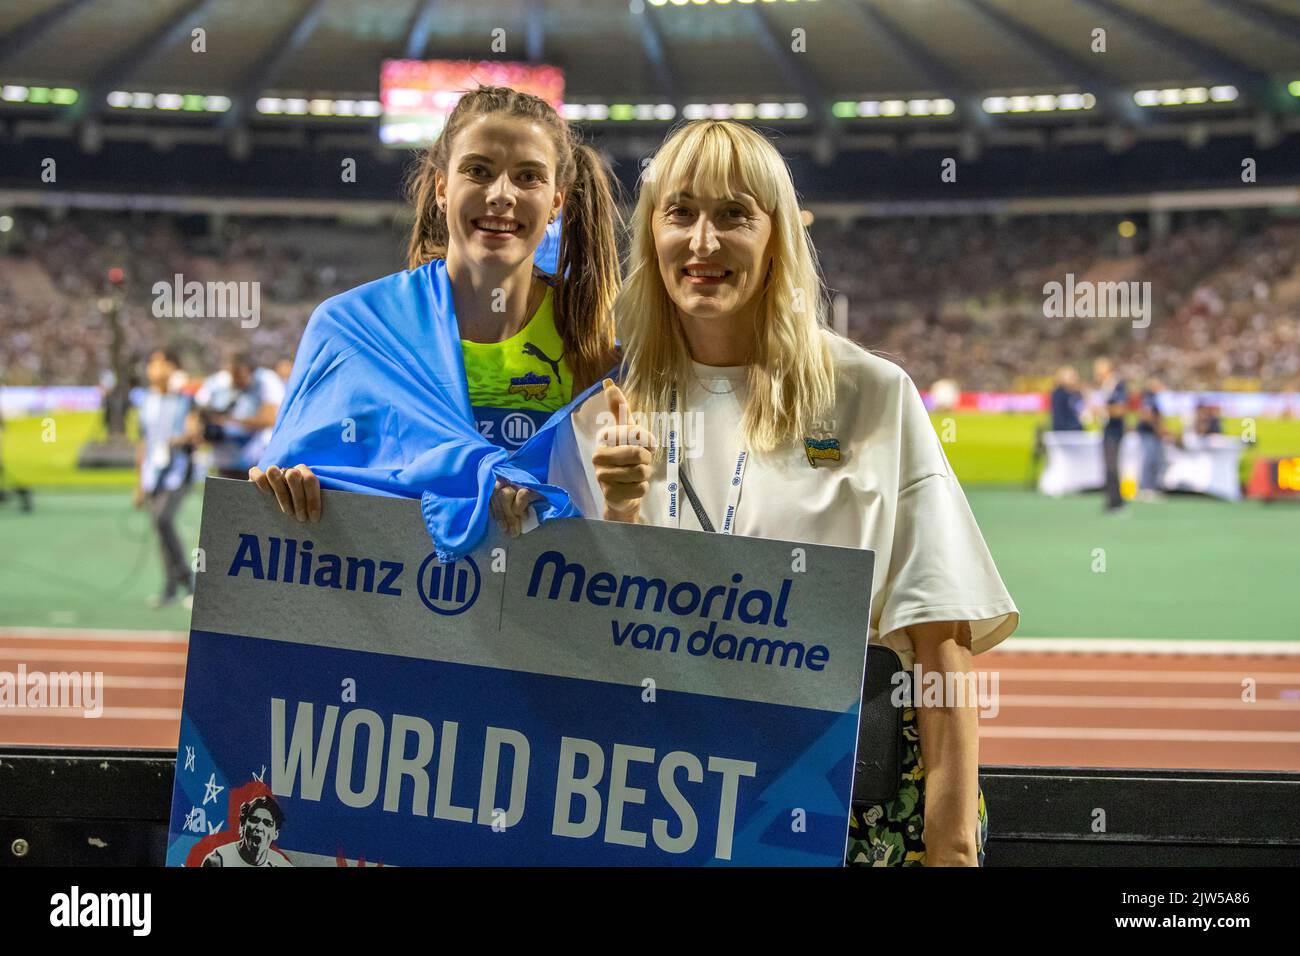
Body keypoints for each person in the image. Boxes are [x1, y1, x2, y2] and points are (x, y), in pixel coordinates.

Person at [556, 120, 1019, 866]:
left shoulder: (870, 394)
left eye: (735, 214)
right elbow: (588, 652)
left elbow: (941, 644)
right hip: (664, 813)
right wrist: (620, 513)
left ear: (777, 237)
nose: (703, 242)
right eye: (680, 213)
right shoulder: (602, 416)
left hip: (852, 818)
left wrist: (953, 844)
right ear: (650, 236)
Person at [250, 86, 621, 555]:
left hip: (544, 611)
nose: (501, 195)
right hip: (394, 611)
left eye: (528, 176)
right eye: (478, 171)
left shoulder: (592, 345)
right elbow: (301, 482)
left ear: (555, 203)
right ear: (443, 188)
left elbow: (610, 512)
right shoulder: (352, 330)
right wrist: (290, 485)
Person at [134, 348, 196, 609]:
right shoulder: (145, 400)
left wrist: (178, 440)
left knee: (163, 519)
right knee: (160, 529)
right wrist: (139, 482)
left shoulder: (185, 399)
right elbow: (142, 441)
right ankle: (170, 588)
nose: (155, 369)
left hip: (179, 471)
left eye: (162, 363)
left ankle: (188, 580)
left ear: (174, 367)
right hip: (153, 473)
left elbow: (195, 431)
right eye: (152, 363)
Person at [193, 353, 284, 480]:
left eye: (240, 375)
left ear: (250, 372)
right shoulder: (217, 382)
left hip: (255, 461)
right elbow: (196, 412)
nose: (236, 380)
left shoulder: (265, 380)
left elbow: (270, 419)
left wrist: (230, 421)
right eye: (232, 375)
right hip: (224, 461)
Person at [202, 795, 291, 867]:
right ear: (243, 825)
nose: (259, 827)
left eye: (267, 823)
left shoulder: (282, 865)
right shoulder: (217, 861)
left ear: (275, 834)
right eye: (254, 819)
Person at [1092, 357, 1128, 512]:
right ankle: (1112, 499)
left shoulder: (1117, 385)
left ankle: (1115, 501)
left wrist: (1102, 411)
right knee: (1108, 465)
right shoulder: (1105, 387)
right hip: (1107, 429)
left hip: (1114, 430)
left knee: (1111, 465)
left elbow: (1120, 409)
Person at [1136, 376, 1166, 500]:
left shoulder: (1154, 399)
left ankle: (1152, 487)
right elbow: (1147, 416)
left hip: (1152, 433)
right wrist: (1158, 429)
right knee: (1149, 460)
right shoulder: (1149, 398)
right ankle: (1145, 488)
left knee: (1155, 460)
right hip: (1149, 433)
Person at [1049, 366, 1084, 432]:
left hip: (1076, 430)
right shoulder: (1058, 394)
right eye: (1072, 376)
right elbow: (1059, 419)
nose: (1075, 378)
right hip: (1064, 431)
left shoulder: (1077, 393)